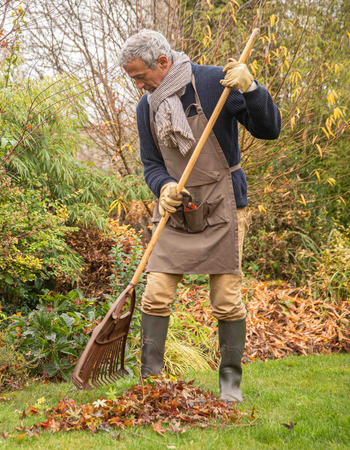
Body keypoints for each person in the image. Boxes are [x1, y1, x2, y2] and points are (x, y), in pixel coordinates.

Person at [118, 29, 281, 402]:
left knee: (225, 298)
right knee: (156, 295)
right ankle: (151, 386)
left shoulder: (213, 83)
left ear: (162, 62)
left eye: (140, 75)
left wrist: (253, 89)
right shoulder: (148, 106)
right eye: (133, 79)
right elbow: (151, 165)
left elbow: (269, 129)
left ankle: (229, 386)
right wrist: (163, 187)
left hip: (224, 205)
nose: (138, 85)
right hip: (177, 210)